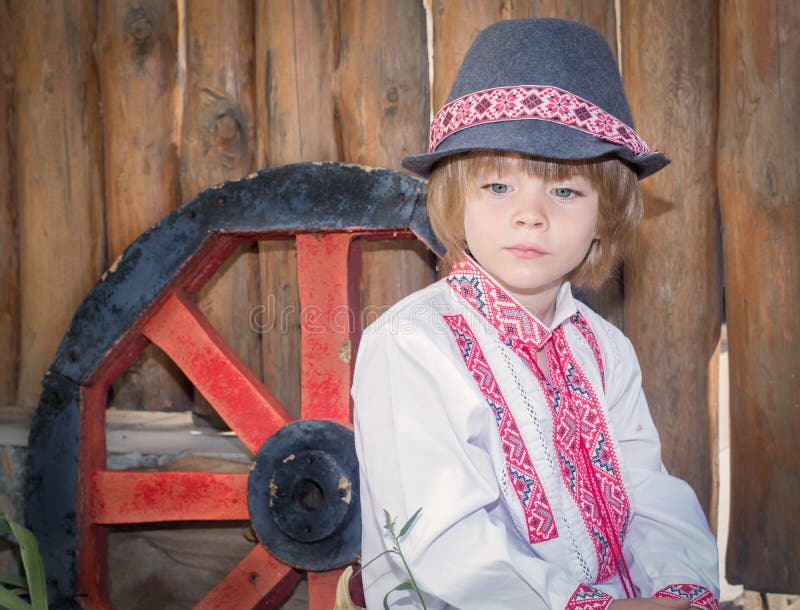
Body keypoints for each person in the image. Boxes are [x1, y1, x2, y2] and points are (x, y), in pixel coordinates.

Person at [352, 19, 720, 610]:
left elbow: (650, 494)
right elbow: (445, 545)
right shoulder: (412, 344)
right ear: (456, 199)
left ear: (605, 218)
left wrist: (680, 589)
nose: (531, 215)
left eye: (565, 191)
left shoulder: (605, 349)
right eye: (498, 187)